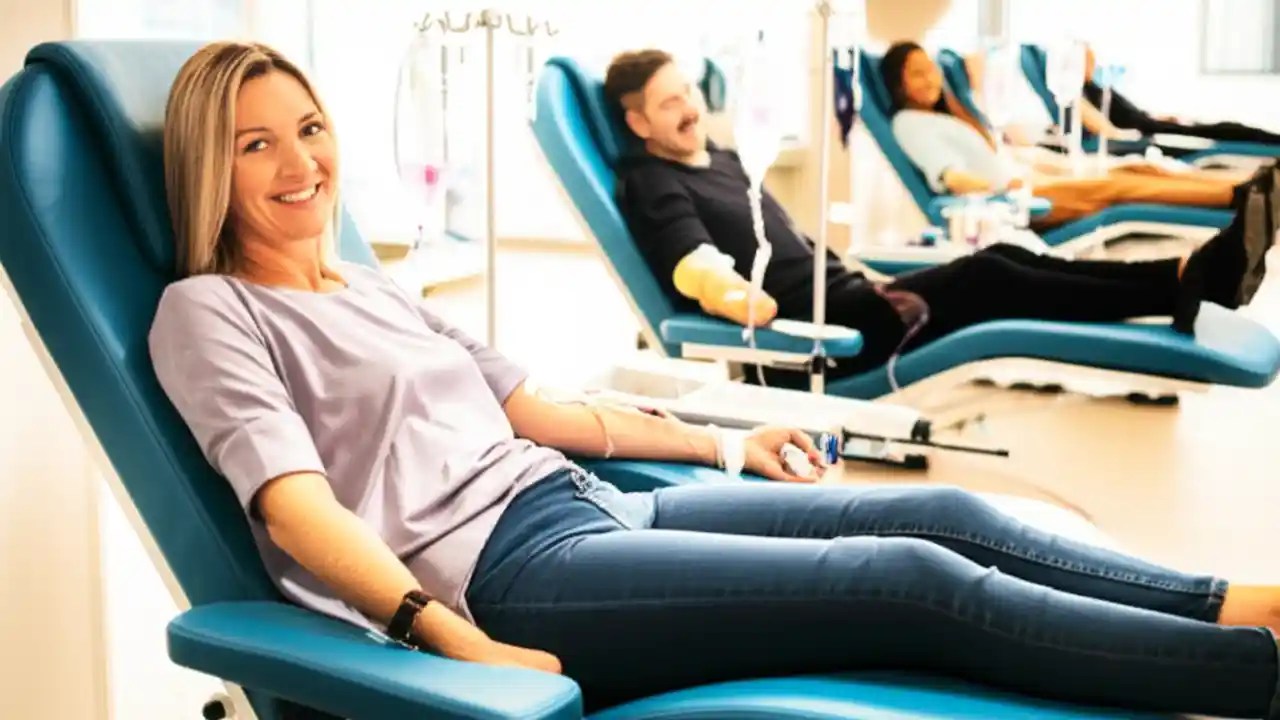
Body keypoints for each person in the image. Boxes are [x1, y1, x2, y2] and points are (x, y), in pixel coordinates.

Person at [150, 41, 1280, 719]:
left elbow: (534, 411)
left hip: (593, 502)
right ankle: (1247, 673)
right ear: (212, 162)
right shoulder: (209, 309)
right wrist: (448, 636)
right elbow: (293, 509)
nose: (301, 165)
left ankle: (1234, 604)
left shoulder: (365, 283)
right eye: (255, 145)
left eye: (307, 128)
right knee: (909, 580)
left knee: (943, 508)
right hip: (512, 574)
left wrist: (728, 446)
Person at [605, 47, 1274, 388]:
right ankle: (1183, 277)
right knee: (991, 276)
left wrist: (854, 268)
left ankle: (1185, 275)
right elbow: (695, 264)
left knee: (1007, 262)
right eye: (669, 104)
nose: (691, 107)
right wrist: (734, 298)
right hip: (821, 337)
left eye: (688, 91)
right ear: (637, 122)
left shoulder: (717, 155)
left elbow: (787, 241)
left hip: (852, 295)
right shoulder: (651, 182)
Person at [881, 42, 1262, 229]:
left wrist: (1046, 169)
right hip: (1012, 198)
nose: (931, 78)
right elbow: (951, 177)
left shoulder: (951, 118)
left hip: (1029, 180)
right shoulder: (909, 124)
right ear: (897, 84)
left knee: (1133, 171)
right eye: (917, 73)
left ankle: (1250, 183)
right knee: (1120, 188)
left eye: (930, 69)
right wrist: (1005, 191)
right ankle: (1240, 196)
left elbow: (996, 156)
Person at [1076, 45, 1280, 147]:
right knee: (1228, 129)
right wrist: (1133, 137)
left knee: (1225, 127)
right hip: (1152, 132)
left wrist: (1159, 116)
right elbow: (1107, 128)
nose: (1093, 63)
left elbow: (1130, 113)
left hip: (1152, 124)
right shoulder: (1078, 93)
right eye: (1088, 58)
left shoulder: (1095, 85)